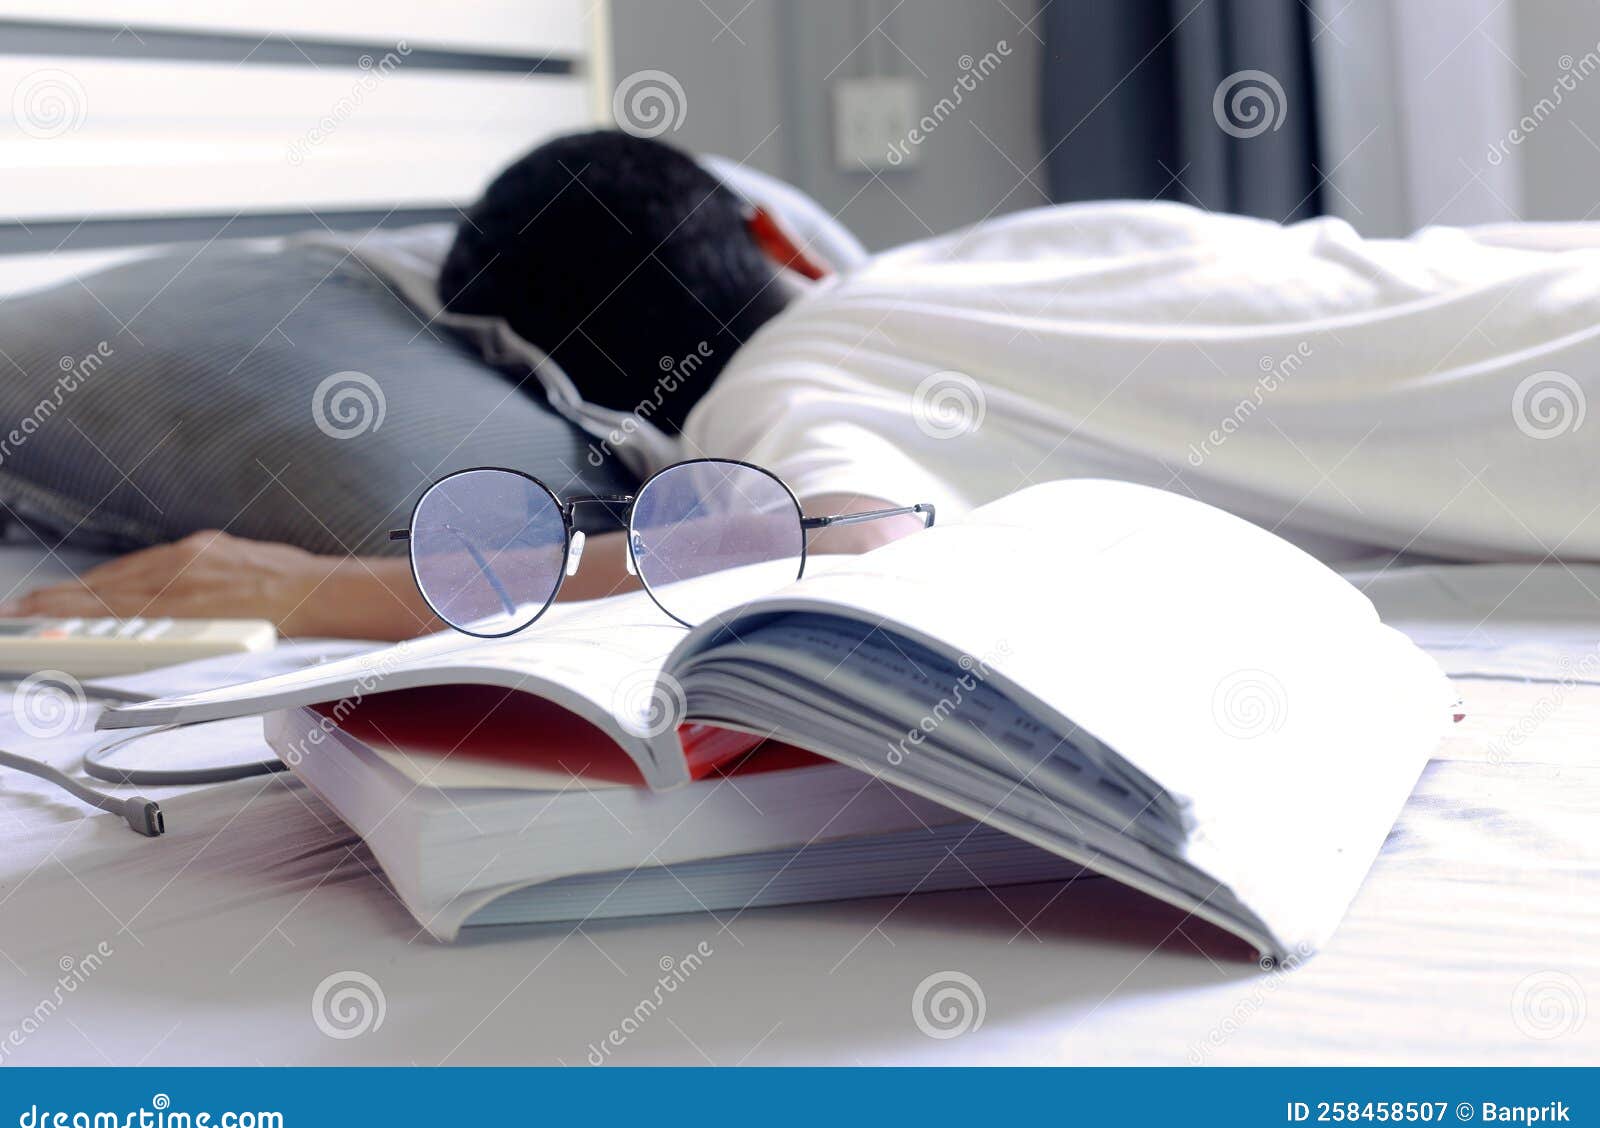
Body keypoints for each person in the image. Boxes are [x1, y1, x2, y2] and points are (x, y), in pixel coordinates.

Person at [12, 134, 1600, 637]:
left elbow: (836, 544)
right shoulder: (1036, 245)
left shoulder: (784, 396)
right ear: (776, 228)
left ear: (587, 404)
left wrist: (310, 590)